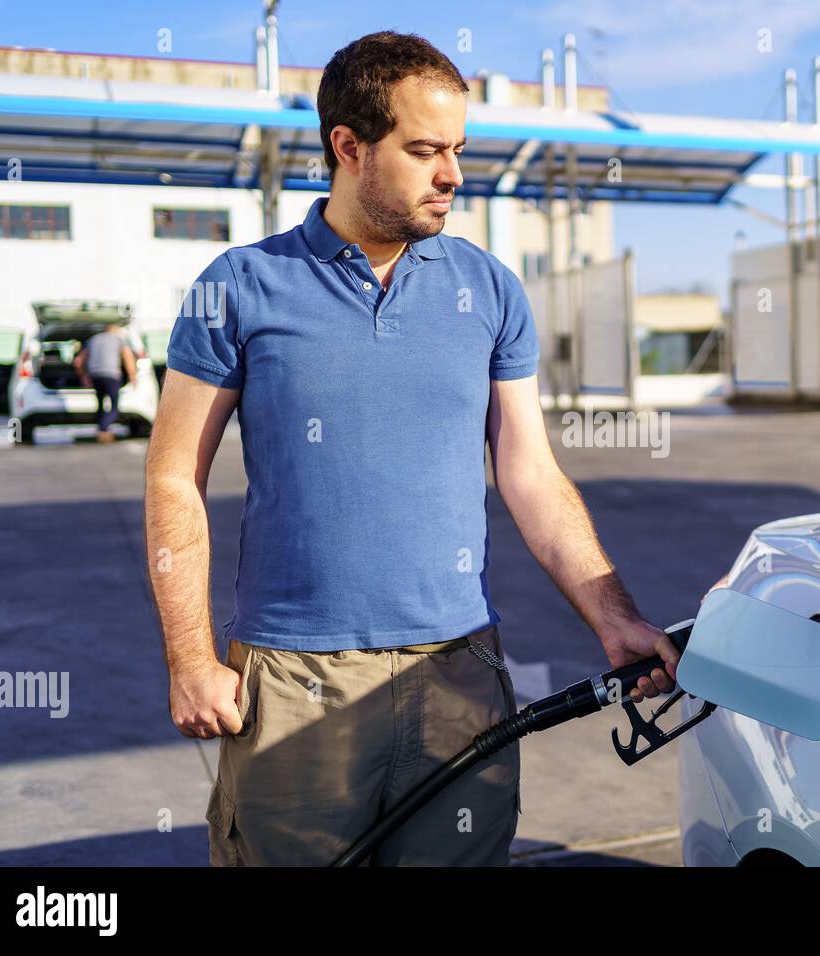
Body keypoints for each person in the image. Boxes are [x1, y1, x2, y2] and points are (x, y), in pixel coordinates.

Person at [143, 31, 679, 867]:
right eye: (425, 150)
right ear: (348, 147)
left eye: (458, 150)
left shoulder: (490, 288)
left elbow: (530, 474)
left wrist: (615, 619)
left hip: (460, 674)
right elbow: (175, 475)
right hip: (293, 684)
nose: (452, 175)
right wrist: (191, 658)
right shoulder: (240, 286)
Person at [73, 321, 137, 443]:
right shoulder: (118, 340)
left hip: (95, 376)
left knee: (100, 404)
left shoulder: (92, 340)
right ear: (115, 330)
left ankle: (102, 429)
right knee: (114, 406)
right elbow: (128, 357)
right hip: (112, 375)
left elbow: (78, 361)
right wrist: (132, 376)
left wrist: (84, 377)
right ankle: (103, 429)